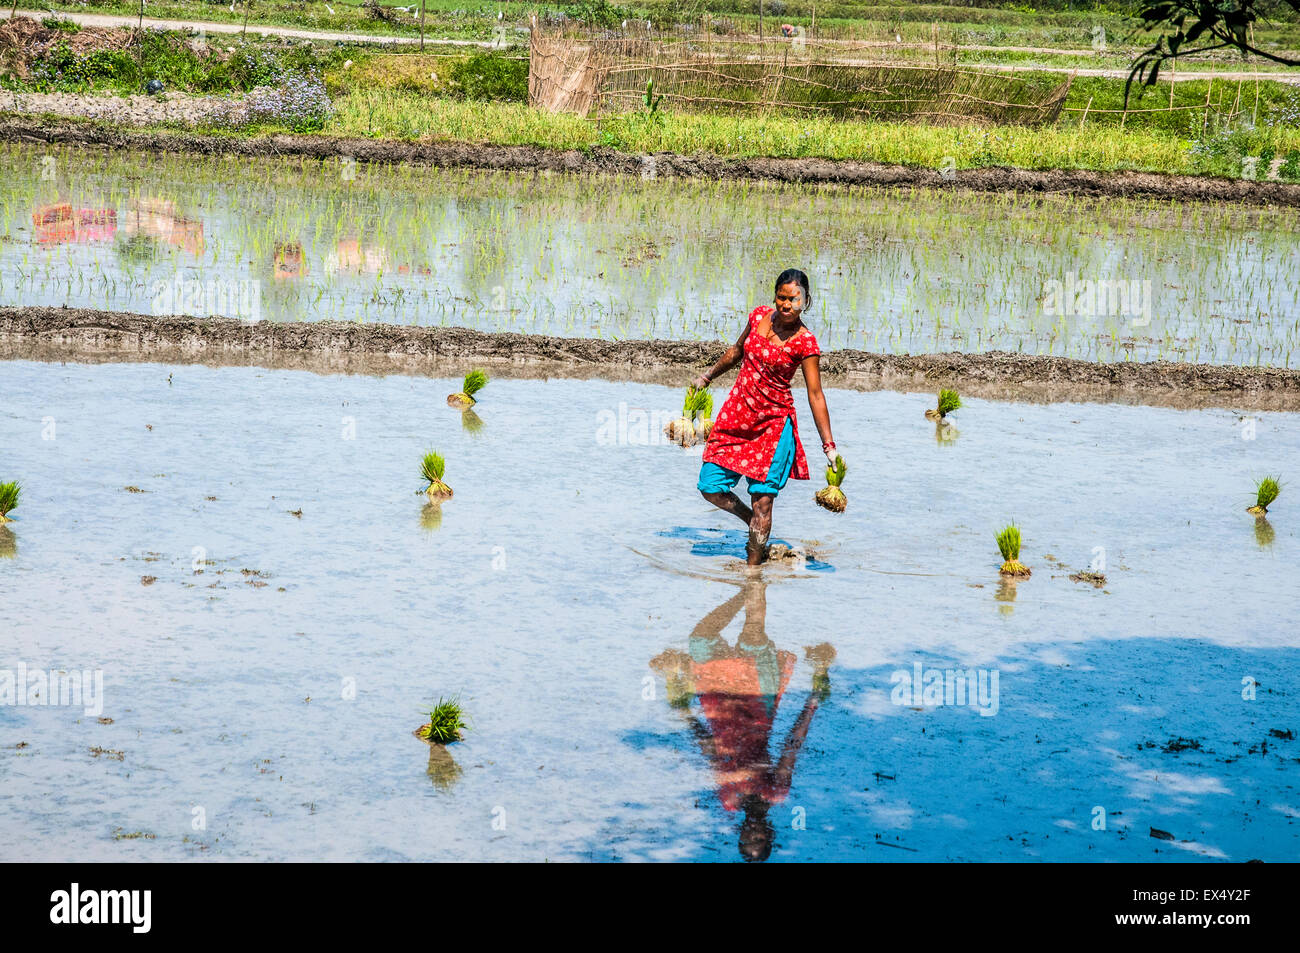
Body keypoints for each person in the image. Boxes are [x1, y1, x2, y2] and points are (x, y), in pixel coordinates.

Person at [649, 579, 835, 862]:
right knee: (752, 635)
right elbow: (792, 745)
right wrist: (812, 702)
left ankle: (744, 590)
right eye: (758, 837)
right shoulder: (776, 792)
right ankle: (755, 581)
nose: (752, 831)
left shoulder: (729, 800)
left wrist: (686, 715)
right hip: (756, 698)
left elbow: (711, 752)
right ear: (769, 832)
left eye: (746, 837)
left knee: (700, 638)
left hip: (718, 701)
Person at [694, 269, 841, 565]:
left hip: (773, 427)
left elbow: (815, 394)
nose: (786, 305)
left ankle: (753, 572)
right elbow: (736, 350)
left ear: (806, 301)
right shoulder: (758, 316)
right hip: (737, 417)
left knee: (763, 502)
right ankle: (749, 520)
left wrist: (829, 446)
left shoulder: (805, 343)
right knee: (710, 485)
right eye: (781, 297)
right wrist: (707, 376)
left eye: (793, 299)